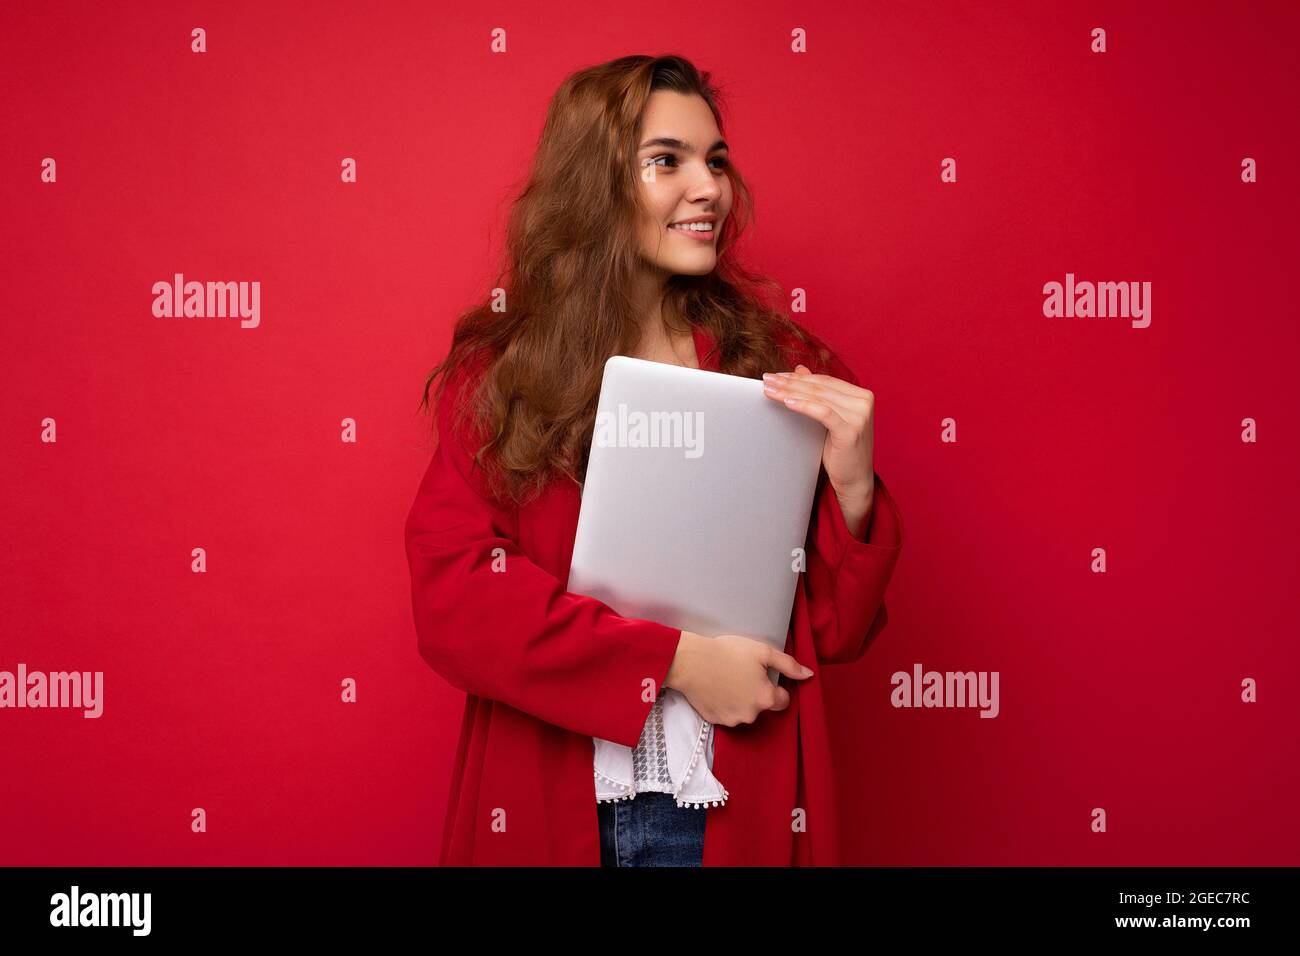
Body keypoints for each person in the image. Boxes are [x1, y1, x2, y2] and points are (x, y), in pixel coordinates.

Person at [405, 54, 903, 867]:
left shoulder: (776, 363)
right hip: (557, 792)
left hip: (732, 802)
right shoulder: (505, 376)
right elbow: (455, 598)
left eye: (716, 160)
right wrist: (677, 662)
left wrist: (852, 489)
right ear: (596, 184)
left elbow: (832, 633)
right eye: (666, 161)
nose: (707, 187)